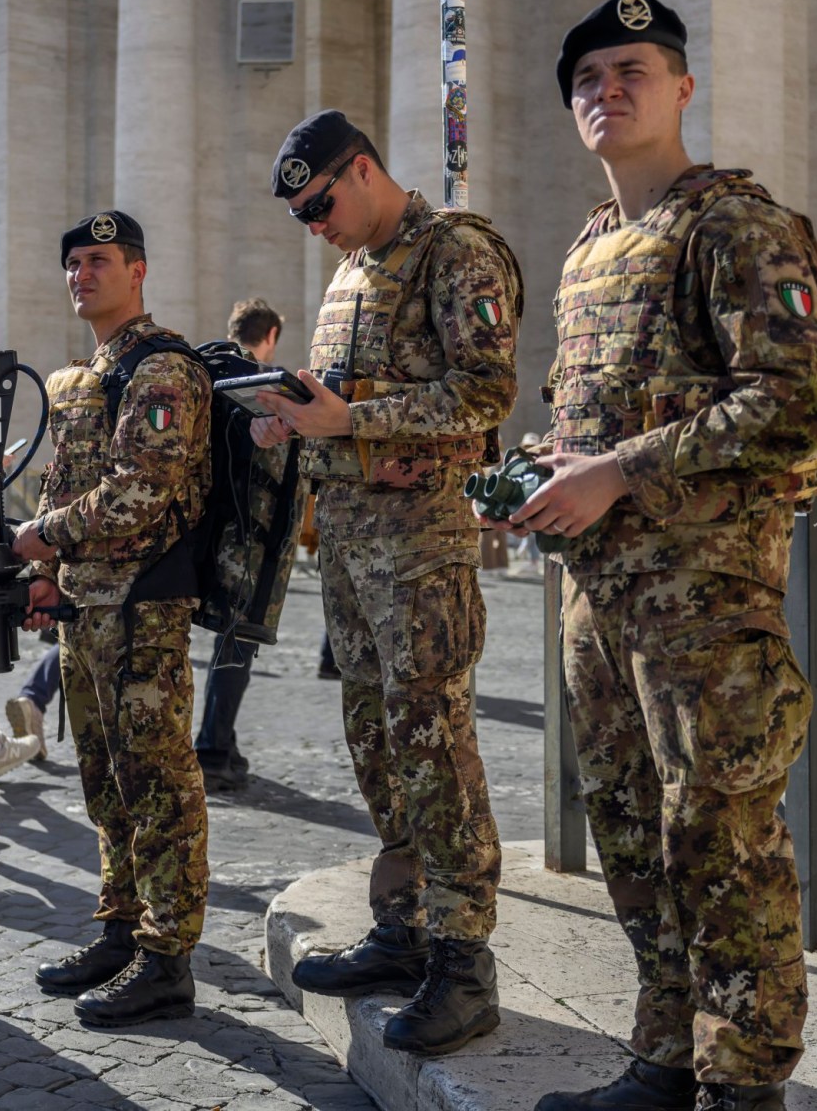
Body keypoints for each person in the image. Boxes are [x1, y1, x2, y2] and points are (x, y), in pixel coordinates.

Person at [495, 0, 817, 1111]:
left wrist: (616, 472)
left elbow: (796, 406)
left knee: (724, 843)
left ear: (683, 87)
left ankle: (743, 1083)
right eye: (588, 79)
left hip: (704, 607)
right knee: (632, 836)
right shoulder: (592, 249)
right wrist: (556, 469)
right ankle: (660, 1053)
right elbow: (621, 413)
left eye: (633, 70)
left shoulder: (735, 226)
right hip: (601, 601)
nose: (609, 91)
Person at [254, 110, 519, 1055]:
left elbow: (486, 396)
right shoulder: (346, 277)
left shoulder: (456, 250)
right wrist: (290, 419)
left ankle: (463, 961)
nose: (314, 224)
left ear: (362, 170)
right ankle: (405, 927)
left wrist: (349, 415)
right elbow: (339, 411)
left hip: (420, 549)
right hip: (351, 551)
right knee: (376, 740)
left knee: (434, 739)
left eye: (320, 202)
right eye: (300, 216)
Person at [9, 209, 211, 1028]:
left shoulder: (161, 370)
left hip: (143, 610)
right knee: (104, 781)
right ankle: (122, 929)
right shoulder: (91, 375)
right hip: (87, 610)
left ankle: (168, 958)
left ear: (138, 271)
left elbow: (138, 492)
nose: (81, 275)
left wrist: (41, 537)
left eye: (99, 261)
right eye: (73, 264)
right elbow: (67, 482)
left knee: (156, 781)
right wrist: (48, 574)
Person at [194, 297, 285, 792]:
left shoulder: (204, 373)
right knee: (236, 641)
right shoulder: (269, 385)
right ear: (269, 334)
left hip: (196, 528)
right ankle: (213, 748)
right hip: (248, 539)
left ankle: (220, 744)